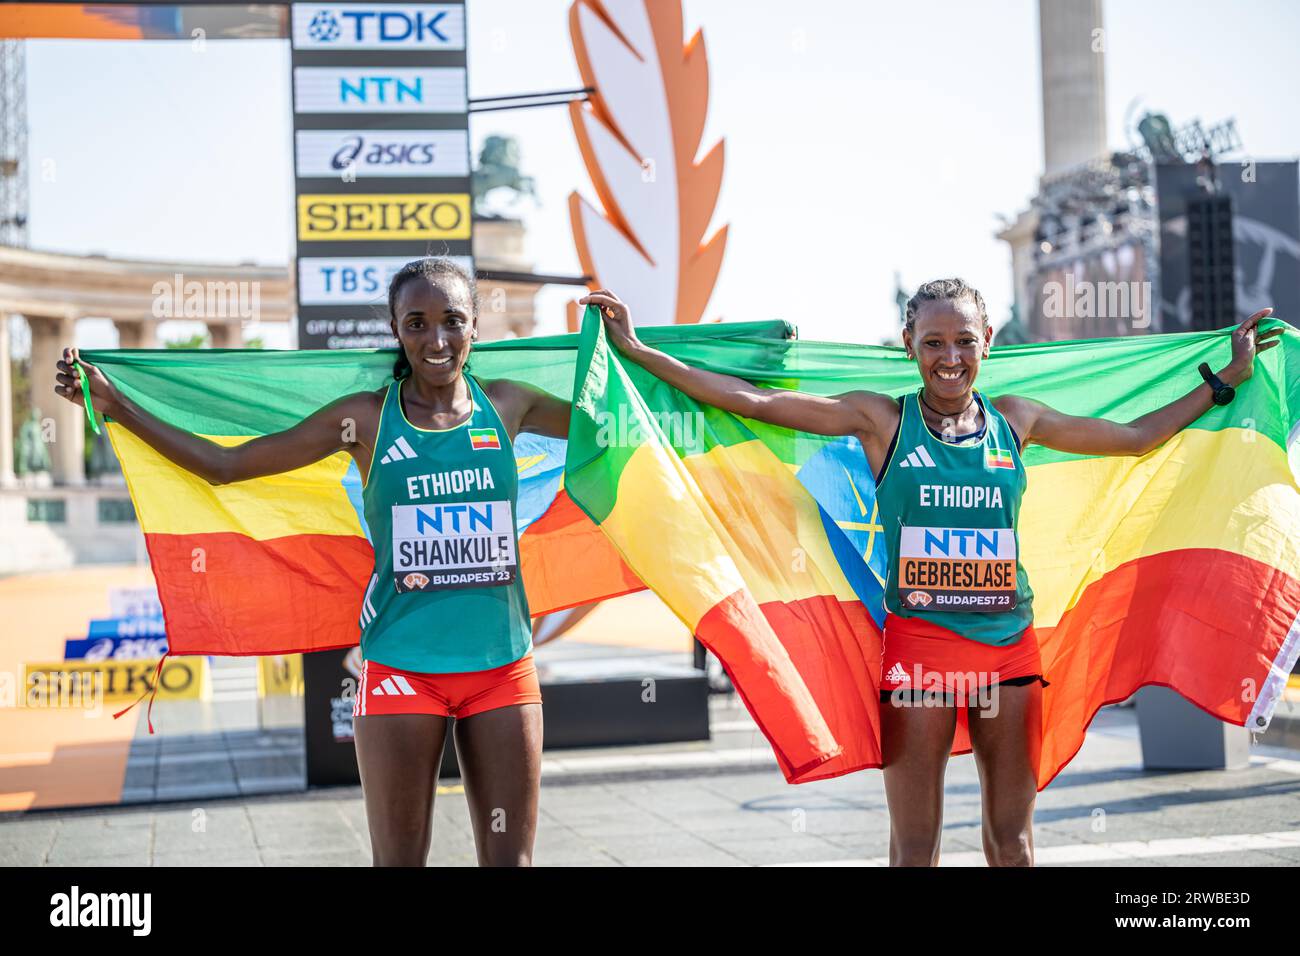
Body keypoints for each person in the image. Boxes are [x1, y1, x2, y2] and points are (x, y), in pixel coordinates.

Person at [584, 278, 1281, 867]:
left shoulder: (1018, 421)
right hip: (920, 658)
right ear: (910, 348)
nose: (951, 357)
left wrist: (1226, 380)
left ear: (988, 345)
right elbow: (754, 403)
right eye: (934, 343)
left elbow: (1134, 440)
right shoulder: (882, 421)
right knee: (914, 848)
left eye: (965, 341)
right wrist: (639, 351)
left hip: (1009, 652)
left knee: (1012, 842)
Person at [56, 257, 570, 867]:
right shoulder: (366, 418)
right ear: (396, 330)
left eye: (452, 320)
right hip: (403, 671)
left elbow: (618, 421)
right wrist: (119, 407)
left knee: (512, 864)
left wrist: (641, 354)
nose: (436, 339)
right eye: (417, 323)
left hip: (502, 668)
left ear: (475, 326)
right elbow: (227, 466)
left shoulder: (510, 405)